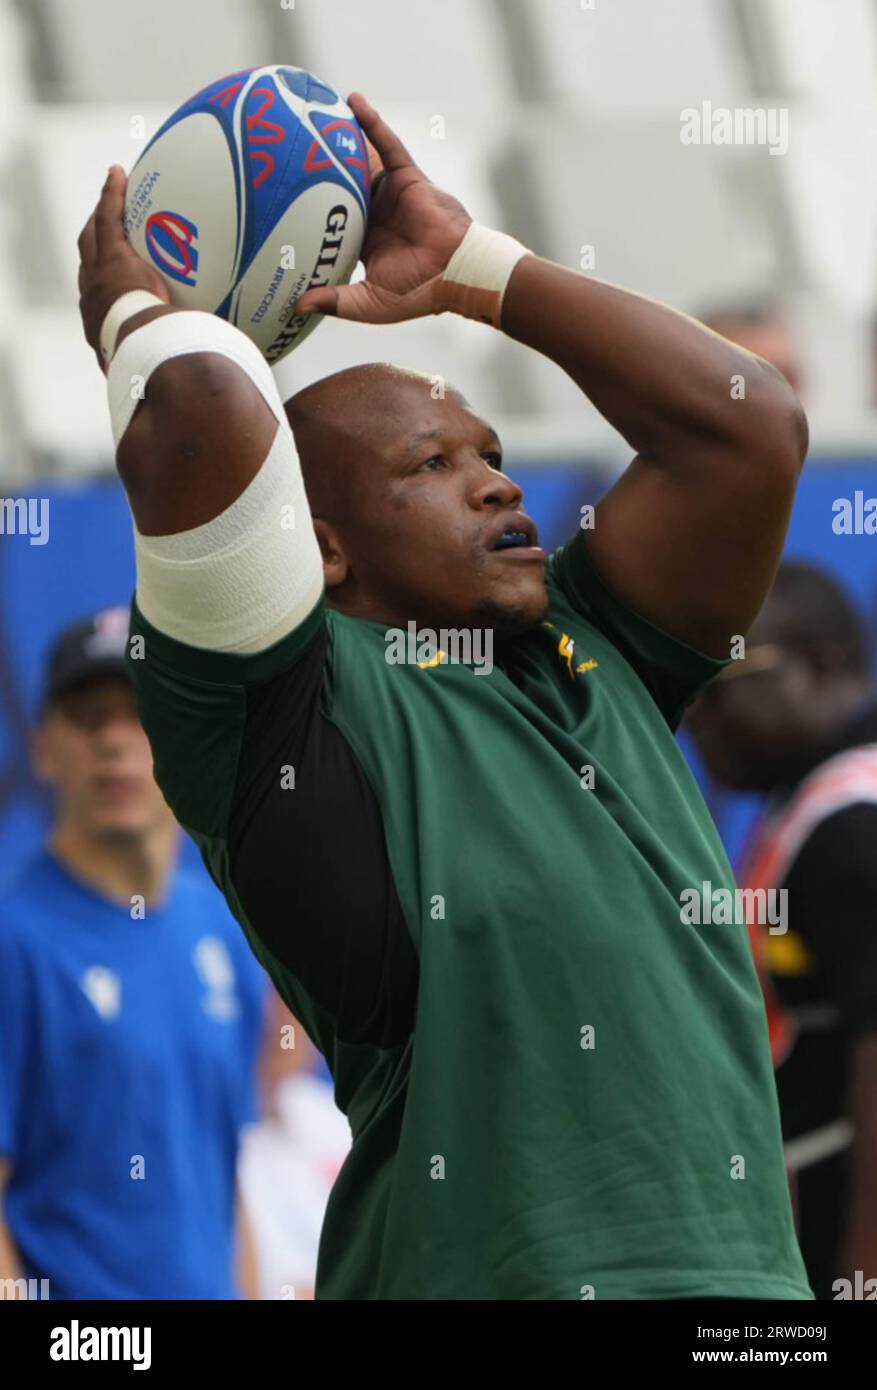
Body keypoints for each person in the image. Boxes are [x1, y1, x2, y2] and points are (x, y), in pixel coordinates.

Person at [77, 92, 812, 1300]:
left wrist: (475, 272)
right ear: (319, 550)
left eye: (493, 457)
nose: (489, 484)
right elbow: (203, 413)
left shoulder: (598, 652)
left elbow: (750, 429)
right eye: (431, 465)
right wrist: (135, 318)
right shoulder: (277, 706)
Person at [0, 608, 265, 1299]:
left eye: (139, 714)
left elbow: (222, 1175)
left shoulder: (221, 924)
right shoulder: (13, 942)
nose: (113, 741)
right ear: (44, 747)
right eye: (88, 718)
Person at [688, 563, 877, 1300]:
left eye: (717, 681)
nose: (694, 714)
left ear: (819, 665)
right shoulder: (806, 805)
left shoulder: (851, 824)